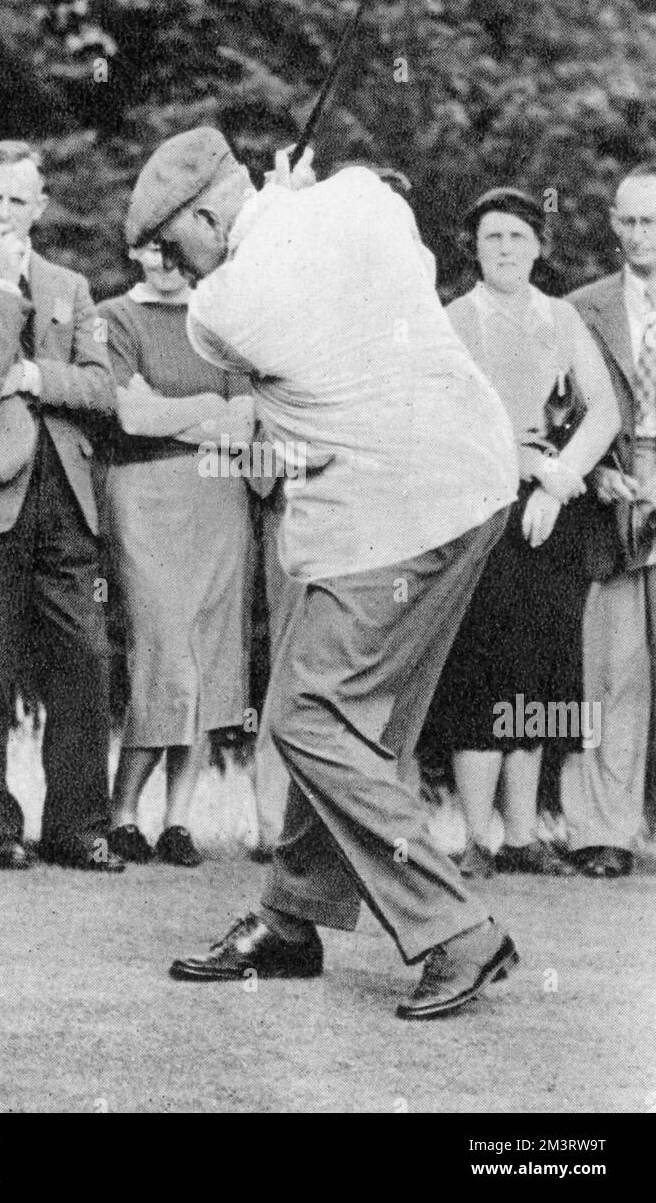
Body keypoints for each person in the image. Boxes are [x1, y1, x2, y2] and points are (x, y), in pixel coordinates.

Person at [124, 126, 522, 1021]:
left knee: (307, 717)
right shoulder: (357, 199)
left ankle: (456, 929)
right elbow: (383, 223)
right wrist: (298, 201)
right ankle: (293, 916)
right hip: (472, 482)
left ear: (206, 210)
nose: (169, 263)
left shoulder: (222, 308)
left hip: (395, 518)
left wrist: (278, 215)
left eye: (170, 240)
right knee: (354, 719)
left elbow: (223, 323)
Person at [0, 140, 123, 872]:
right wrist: (4, 289)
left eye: (20, 200)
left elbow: (104, 390)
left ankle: (77, 828)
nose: (6, 213)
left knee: (84, 658)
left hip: (64, 493)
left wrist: (34, 373)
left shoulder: (72, 285)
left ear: (40, 206)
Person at [421, 188, 620, 877]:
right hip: (480, 508)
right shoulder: (454, 320)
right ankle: (475, 837)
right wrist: (524, 466)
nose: (505, 249)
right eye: (491, 238)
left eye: (517, 236)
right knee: (481, 667)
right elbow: (447, 420)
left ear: (538, 246)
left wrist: (558, 480)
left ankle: (519, 833)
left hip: (550, 517)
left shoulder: (559, 317)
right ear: (473, 248)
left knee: (537, 671)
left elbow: (603, 414)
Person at [97, 242, 255, 866]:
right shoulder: (115, 318)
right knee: (163, 652)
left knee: (209, 653)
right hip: (145, 494)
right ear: (135, 249)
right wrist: (206, 408)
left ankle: (179, 820)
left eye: (175, 248)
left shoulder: (219, 321)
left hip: (219, 498)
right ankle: (123, 813)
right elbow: (129, 417)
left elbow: (242, 425)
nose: (164, 261)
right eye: (152, 248)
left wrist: (172, 410)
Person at [560, 162, 656, 876]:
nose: (636, 234)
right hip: (615, 500)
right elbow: (554, 413)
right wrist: (591, 472)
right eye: (625, 220)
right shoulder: (580, 309)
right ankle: (603, 832)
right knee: (611, 671)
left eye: (649, 221)